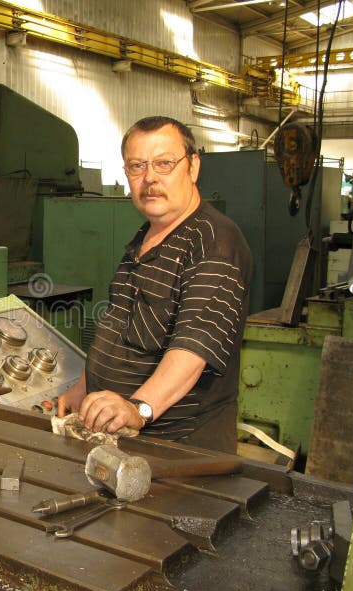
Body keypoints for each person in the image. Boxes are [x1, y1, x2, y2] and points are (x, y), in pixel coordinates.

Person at [57, 116, 252, 453]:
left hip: (179, 449)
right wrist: (83, 388)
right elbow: (119, 324)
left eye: (164, 163)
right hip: (124, 438)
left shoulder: (215, 242)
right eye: (137, 166)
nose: (150, 178)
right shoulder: (146, 237)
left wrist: (139, 408)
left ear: (192, 167)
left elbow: (193, 349)